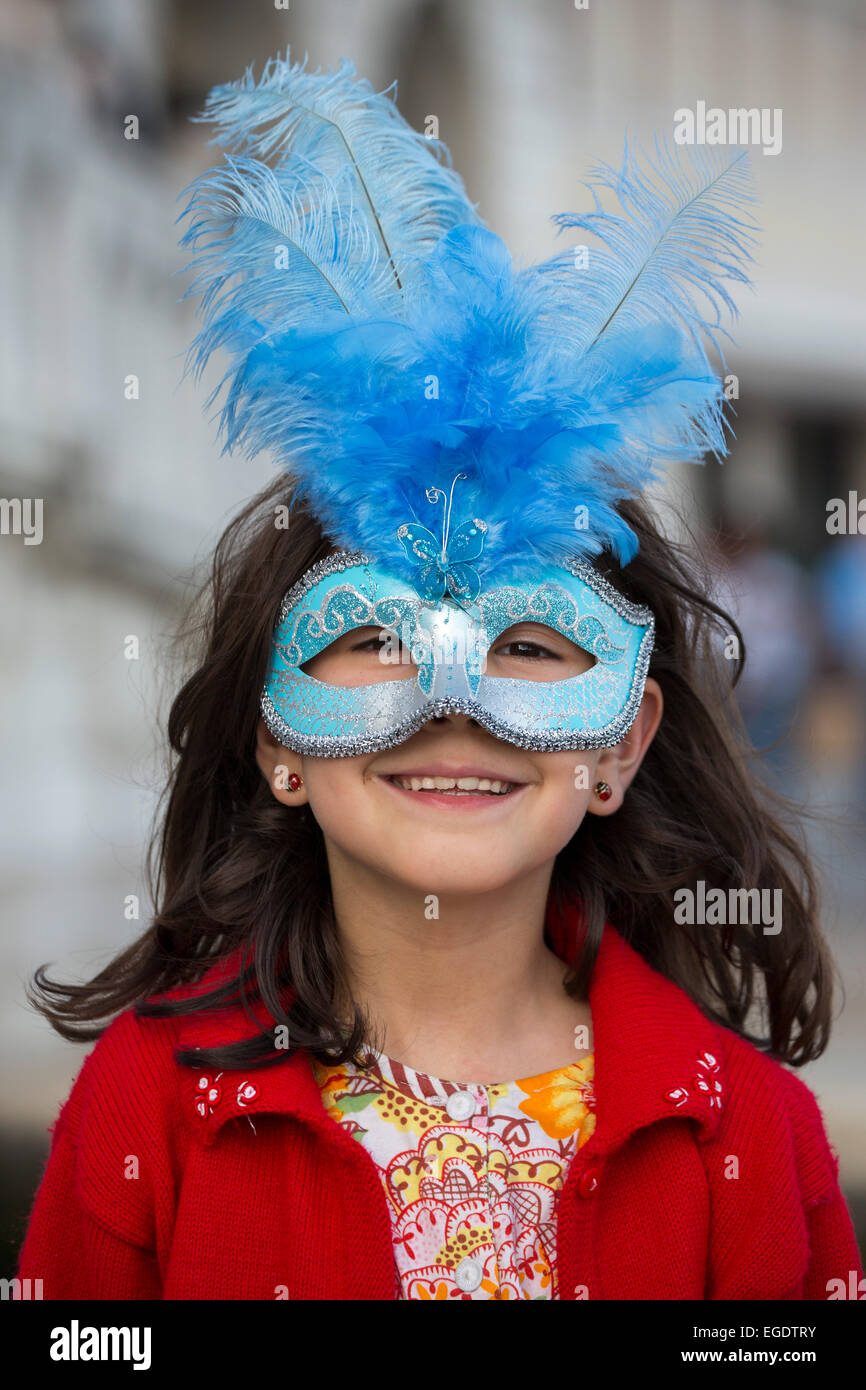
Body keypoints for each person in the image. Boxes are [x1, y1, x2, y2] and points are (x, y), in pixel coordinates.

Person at [16, 51, 862, 1300]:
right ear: (273, 741)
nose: (453, 701)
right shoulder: (147, 1111)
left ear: (621, 744)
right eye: (372, 638)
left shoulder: (747, 1135)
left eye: (528, 645)